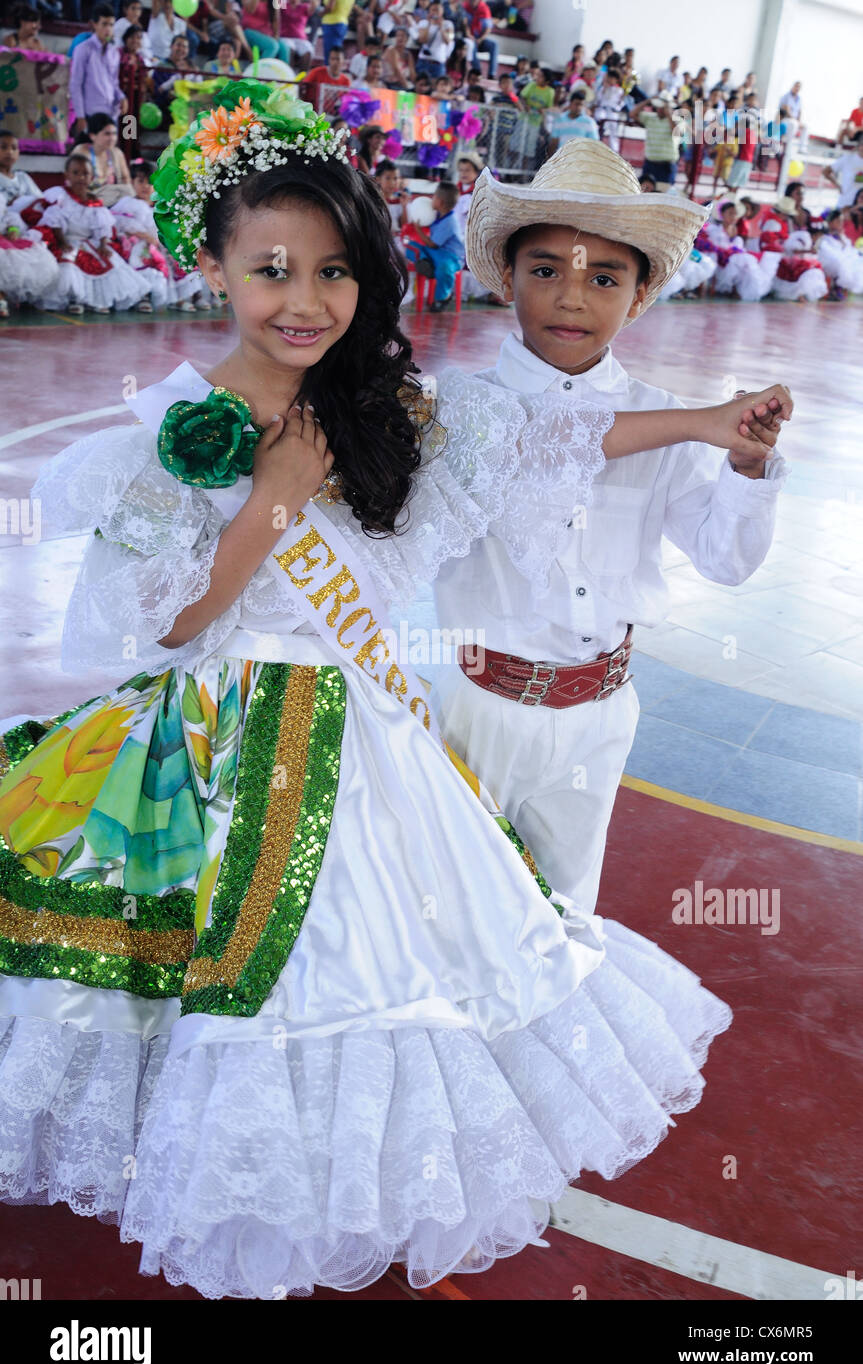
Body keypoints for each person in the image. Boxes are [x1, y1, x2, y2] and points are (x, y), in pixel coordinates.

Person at [2, 82, 785, 1299]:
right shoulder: (163, 431)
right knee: (233, 979)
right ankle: (232, 1180)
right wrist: (268, 504)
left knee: (375, 965)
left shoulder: (386, 414)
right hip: (218, 738)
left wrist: (706, 421)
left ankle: (334, 1180)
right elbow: (160, 628)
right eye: (269, 268)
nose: (303, 301)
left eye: (333, 273)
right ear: (210, 266)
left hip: (365, 736)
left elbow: (551, 436)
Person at [430, 138, 791, 916]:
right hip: (476, 708)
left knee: (563, 917)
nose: (571, 297)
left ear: (637, 295)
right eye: (545, 270)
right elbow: (534, 443)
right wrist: (704, 423)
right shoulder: (457, 406)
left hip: (599, 713)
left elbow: (725, 560)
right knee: (459, 915)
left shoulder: (667, 419)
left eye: (603, 277)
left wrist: (746, 468)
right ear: (506, 279)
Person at [29, 152, 152, 313]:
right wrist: (62, 242)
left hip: (90, 242)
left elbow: (102, 227)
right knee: (70, 261)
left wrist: (102, 244)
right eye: (76, 173)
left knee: (107, 262)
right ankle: (75, 298)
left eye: (85, 173)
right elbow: (55, 221)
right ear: (66, 175)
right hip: (67, 241)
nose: (81, 177)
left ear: (91, 177)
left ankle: (98, 299)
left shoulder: (95, 203)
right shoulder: (61, 196)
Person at [112, 157, 211, 308]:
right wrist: (145, 237)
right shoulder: (128, 204)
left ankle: (191, 295)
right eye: (140, 181)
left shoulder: (163, 206)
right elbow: (122, 224)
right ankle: (144, 296)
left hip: (161, 243)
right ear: (132, 182)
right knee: (146, 255)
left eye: (150, 182)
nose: (146, 186)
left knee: (183, 254)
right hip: (139, 244)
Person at [0, 129, 58, 316]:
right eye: (3, 147)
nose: (9, 152)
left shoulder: (23, 178)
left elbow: (39, 201)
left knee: (34, 256)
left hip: (18, 229)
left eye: (13, 148)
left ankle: (24, 297)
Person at [69, 4, 127, 137]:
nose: (108, 29)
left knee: (108, 155)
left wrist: (122, 97)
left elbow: (114, 82)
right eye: (104, 24)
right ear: (94, 25)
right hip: (90, 113)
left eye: (111, 25)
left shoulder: (114, 53)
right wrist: (80, 116)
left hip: (111, 112)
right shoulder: (83, 49)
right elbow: (75, 85)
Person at [404, 178, 463, 308]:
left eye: (434, 196)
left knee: (444, 269)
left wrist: (418, 229)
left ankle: (442, 298)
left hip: (451, 257)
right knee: (411, 247)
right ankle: (427, 264)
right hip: (435, 253)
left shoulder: (450, 221)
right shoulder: (438, 214)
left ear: (440, 202)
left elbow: (433, 244)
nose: (432, 198)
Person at [71, 112, 134, 207]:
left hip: (113, 201)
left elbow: (126, 181)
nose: (112, 138)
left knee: (130, 191)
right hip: (87, 200)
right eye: (107, 134)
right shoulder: (81, 151)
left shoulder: (117, 153)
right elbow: (76, 184)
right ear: (92, 136)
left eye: (114, 134)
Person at [631, 93, 680, 187]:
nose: (661, 109)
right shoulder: (649, 117)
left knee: (664, 193)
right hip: (650, 163)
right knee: (644, 192)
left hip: (667, 165)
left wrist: (669, 115)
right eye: (659, 106)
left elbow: (677, 133)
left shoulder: (677, 120)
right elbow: (632, 114)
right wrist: (648, 101)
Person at [415, 1, 454, 81]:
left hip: (438, 63)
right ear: (429, 11)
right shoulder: (423, 23)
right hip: (424, 61)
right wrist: (429, 24)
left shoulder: (448, 24)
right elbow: (422, 40)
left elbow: (448, 41)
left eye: (437, 10)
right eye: (433, 10)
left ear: (442, 11)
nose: (435, 12)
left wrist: (441, 27)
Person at [825, 131, 863, 206]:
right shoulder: (847, 158)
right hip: (845, 203)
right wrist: (838, 186)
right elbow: (826, 171)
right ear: (859, 145)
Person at [113, 0, 155, 66]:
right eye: (133, 8)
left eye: (139, 9)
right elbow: (118, 45)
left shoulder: (139, 26)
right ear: (125, 10)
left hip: (143, 57)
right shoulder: (121, 24)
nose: (136, 12)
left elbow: (145, 46)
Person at [276, 0, 316, 68]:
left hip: (301, 39)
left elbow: (313, 7)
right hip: (285, 37)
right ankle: (290, 76)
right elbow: (275, 6)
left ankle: (303, 77)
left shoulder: (305, 6)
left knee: (308, 52)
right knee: (290, 50)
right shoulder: (283, 4)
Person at [464, 0, 497, 79]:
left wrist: (481, 39)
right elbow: (464, 24)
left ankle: (491, 74)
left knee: (494, 45)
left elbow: (488, 28)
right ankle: (477, 71)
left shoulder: (484, 9)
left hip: (479, 38)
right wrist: (469, 35)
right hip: (468, 37)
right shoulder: (465, 6)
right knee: (472, 44)